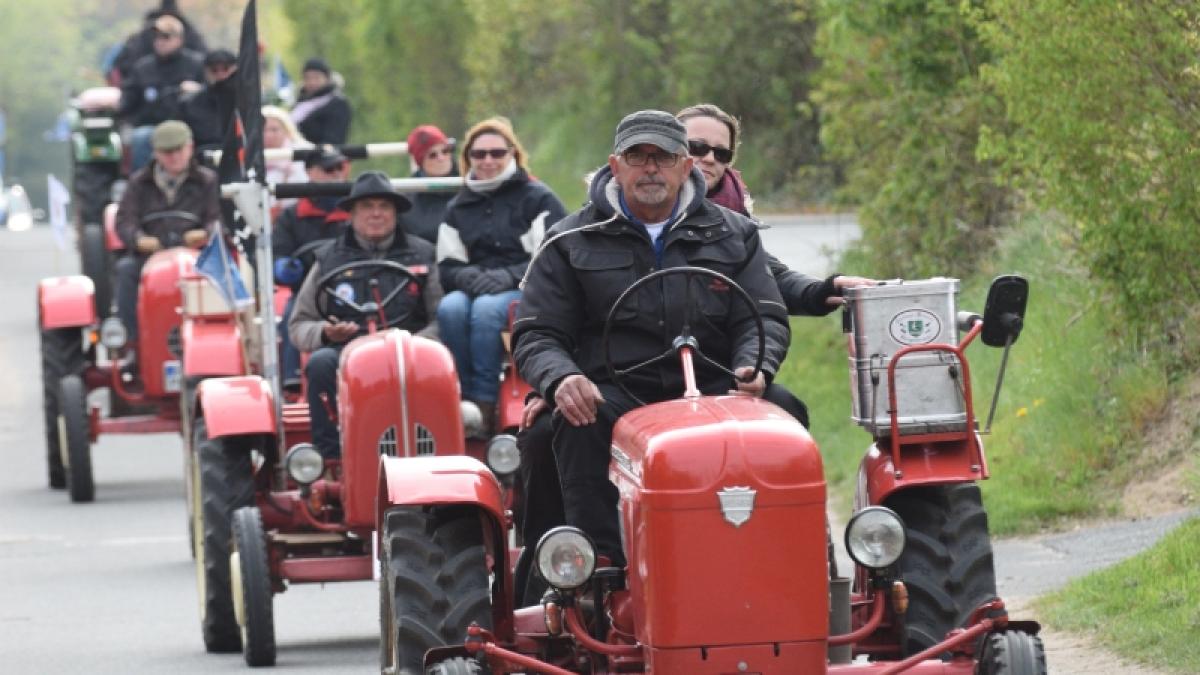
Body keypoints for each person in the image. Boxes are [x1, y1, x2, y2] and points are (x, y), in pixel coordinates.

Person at [512, 110, 792, 569]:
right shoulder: (568, 241)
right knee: (569, 421)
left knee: (786, 413)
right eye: (637, 157)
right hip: (616, 392)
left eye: (662, 158)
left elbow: (762, 316)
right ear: (615, 165)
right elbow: (537, 333)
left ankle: (787, 557)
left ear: (685, 166)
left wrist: (755, 365)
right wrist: (562, 378)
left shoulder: (734, 233)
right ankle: (597, 572)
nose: (650, 169)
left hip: (717, 387)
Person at [288, 171, 442, 458]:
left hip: (411, 353)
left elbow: (441, 318)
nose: (376, 214)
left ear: (396, 213)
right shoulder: (326, 260)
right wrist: (325, 332)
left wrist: (414, 343)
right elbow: (299, 325)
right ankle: (331, 460)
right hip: (347, 354)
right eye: (366, 207)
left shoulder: (424, 255)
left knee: (441, 366)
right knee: (321, 364)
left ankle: (437, 451)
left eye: (384, 207)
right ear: (351, 214)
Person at [436, 118, 567, 435]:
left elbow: (553, 256)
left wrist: (507, 277)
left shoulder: (538, 199)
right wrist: (473, 279)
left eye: (497, 153)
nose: (488, 161)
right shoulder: (458, 207)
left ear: (513, 154)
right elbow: (448, 267)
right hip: (477, 286)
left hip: (525, 289)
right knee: (450, 308)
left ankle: (484, 403)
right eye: (479, 154)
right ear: (468, 158)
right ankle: (462, 398)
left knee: (486, 310)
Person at [114, 120, 221, 346]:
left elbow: (218, 218)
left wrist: (204, 234)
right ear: (155, 153)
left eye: (178, 150)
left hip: (198, 259)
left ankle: (218, 337)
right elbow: (125, 220)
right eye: (166, 152)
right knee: (125, 270)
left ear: (190, 147)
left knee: (227, 274)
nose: (174, 157)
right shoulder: (138, 183)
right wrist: (139, 239)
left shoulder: (207, 181)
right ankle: (132, 342)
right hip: (150, 258)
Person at [272, 145, 353, 387]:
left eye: (340, 167)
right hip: (309, 291)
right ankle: (293, 379)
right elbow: (278, 254)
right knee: (292, 314)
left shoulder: (357, 210)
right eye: (328, 169)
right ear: (310, 172)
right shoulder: (292, 216)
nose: (336, 174)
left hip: (356, 286)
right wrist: (284, 267)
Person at [119, 14, 206, 172]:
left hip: (189, 127)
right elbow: (127, 102)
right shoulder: (142, 68)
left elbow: (210, 95)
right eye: (157, 36)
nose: (160, 41)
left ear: (179, 39)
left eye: (166, 36)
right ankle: (142, 184)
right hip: (153, 127)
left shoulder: (196, 64)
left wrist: (198, 90)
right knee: (140, 137)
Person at [399, 124, 457, 244]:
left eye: (445, 151)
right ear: (420, 162)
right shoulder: (406, 202)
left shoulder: (470, 185)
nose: (441, 158)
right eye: (432, 155)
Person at [179, 48, 237, 153]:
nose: (220, 74)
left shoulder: (247, 103)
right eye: (214, 70)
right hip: (203, 156)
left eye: (225, 68)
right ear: (206, 71)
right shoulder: (189, 104)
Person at [290, 58, 351, 145]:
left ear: (327, 78)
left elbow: (334, 139)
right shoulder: (300, 103)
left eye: (316, 77)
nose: (312, 82)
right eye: (308, 78)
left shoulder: (337, 104)